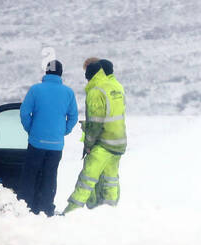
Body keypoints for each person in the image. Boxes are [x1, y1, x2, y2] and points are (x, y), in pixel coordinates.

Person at [64, 57, 126, 213]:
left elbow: (97, 123)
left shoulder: (96, 91)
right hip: (119, 142)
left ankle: (71, 212)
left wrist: (88, 144)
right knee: (110, 180)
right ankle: (109, 212)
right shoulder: (117, 87)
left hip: (103, 144)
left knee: (86, 180)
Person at [18, 59, 78, 215]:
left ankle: (26, 208)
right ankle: (46, 208)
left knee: (30, 176)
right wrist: (63, 131)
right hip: (56, 144)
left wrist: (31, 129)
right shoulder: (68, 93)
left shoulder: (35, 90)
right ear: (60, 73)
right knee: (50, 177)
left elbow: (24, 112)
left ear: (46, 72)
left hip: (36, 142)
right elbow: (73, 117)